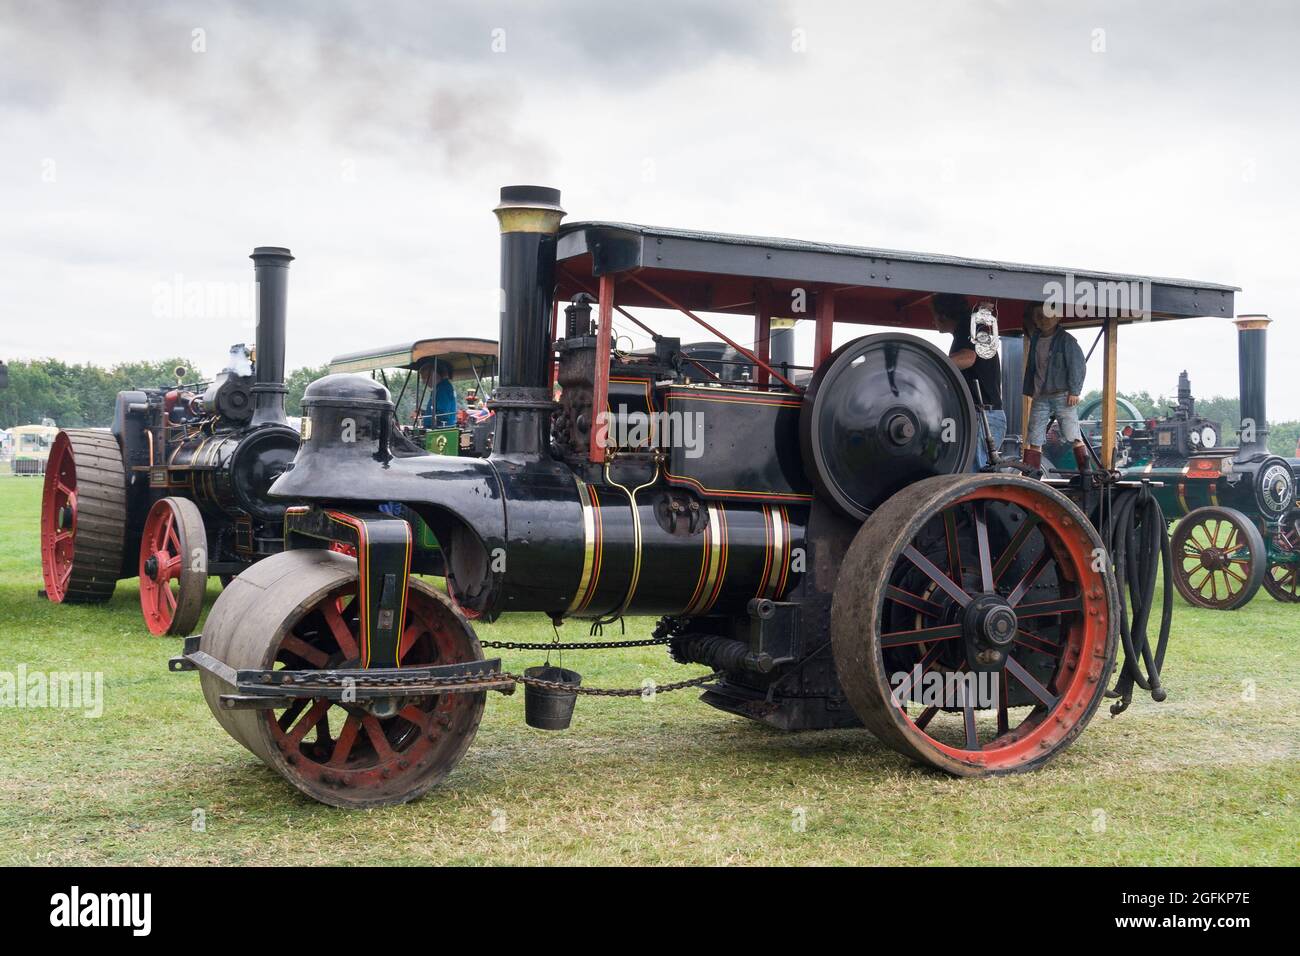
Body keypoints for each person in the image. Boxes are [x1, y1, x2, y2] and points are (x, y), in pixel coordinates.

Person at [931, 293, 1005, 469]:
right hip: (983, 415)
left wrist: (931, 365)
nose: (932, 320)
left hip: (983, 416)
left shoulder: (969, 328)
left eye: (933, 314)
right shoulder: (969, 330)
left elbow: (968, 358)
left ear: (943, 314)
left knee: (971, 476)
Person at [1022, 304, 1088, 473]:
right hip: (1040, 394)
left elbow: (1077, 365)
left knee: (1072, 432)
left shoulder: (1066, 341)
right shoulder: (1035, 338)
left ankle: (1086, 472)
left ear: (1058, 317)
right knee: (1034, 435)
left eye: (1047, 316)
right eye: (1039, 316)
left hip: (1062, 394)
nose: (1043, 320)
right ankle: (1032, 475)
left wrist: (1074, 391)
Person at [422, 360, 459, 428]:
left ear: (434, 374)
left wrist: (427, 418)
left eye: (424, 377)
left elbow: (443, 415)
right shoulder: (440, 388)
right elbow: (437, 411)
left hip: (440, 431)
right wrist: (423, 413)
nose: (423, 382)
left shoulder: (443, 388)